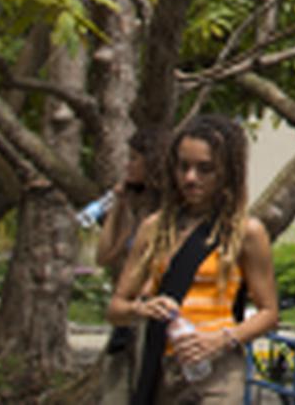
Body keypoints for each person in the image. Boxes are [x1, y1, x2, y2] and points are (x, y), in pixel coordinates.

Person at [109, 115, 280, 405]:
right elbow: (116, 308)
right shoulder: (154, 228)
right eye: (183, 166)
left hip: (218, 370)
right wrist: (141, 309)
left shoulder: (246, 232)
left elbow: (269, 313)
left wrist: (222, 339)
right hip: (162, 366)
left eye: (205, 169)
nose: (190, 178)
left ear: (227, 172)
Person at [92, 128, 164, 405]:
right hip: (126, 316)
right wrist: (117, 206)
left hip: (150, 313)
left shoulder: (166, 214)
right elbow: (104, 256)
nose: (128, 165)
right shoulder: (136, 208)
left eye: (134, 158)